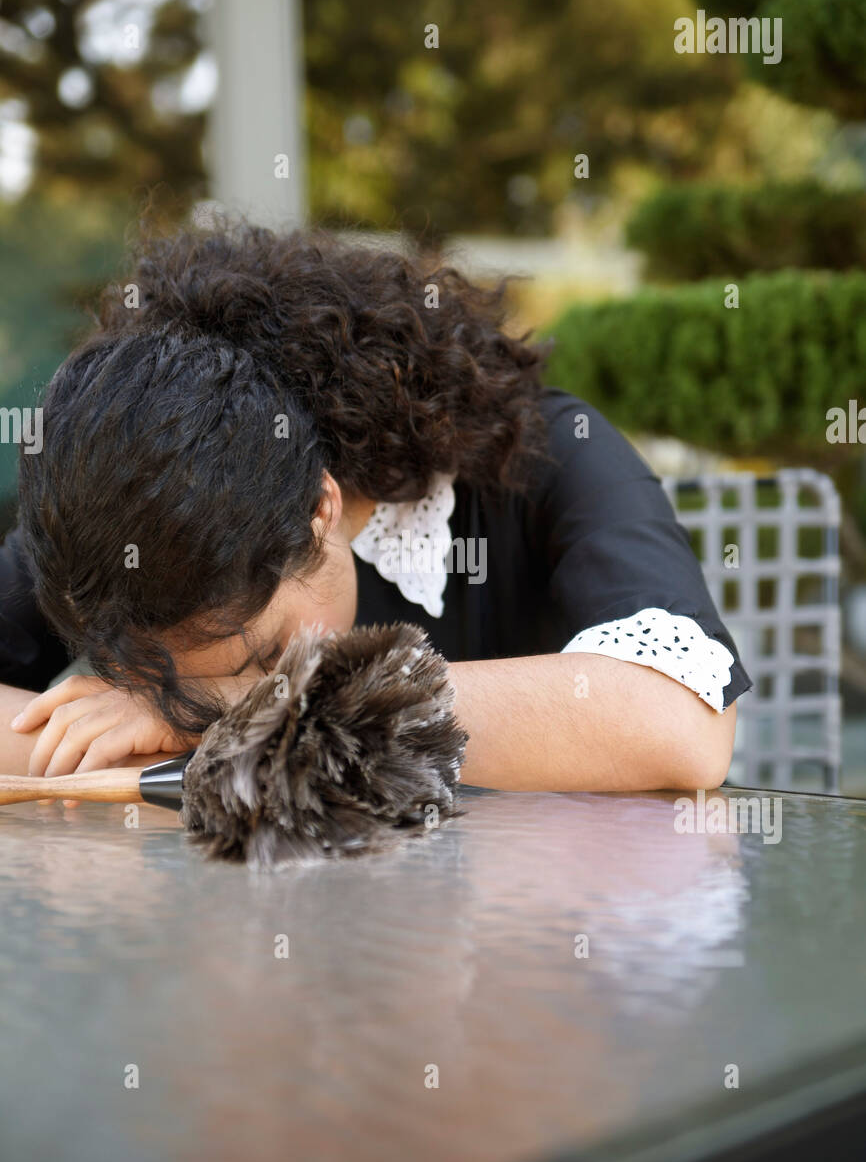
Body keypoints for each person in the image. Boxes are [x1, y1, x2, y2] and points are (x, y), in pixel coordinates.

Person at [0, 219, 750, 790]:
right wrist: (104, 737)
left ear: (316, 508)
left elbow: (683, 721)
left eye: (263, 653)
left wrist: (234, 707)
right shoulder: (116, 506)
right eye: (153, 679)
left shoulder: (551, 451)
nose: (177, 700)